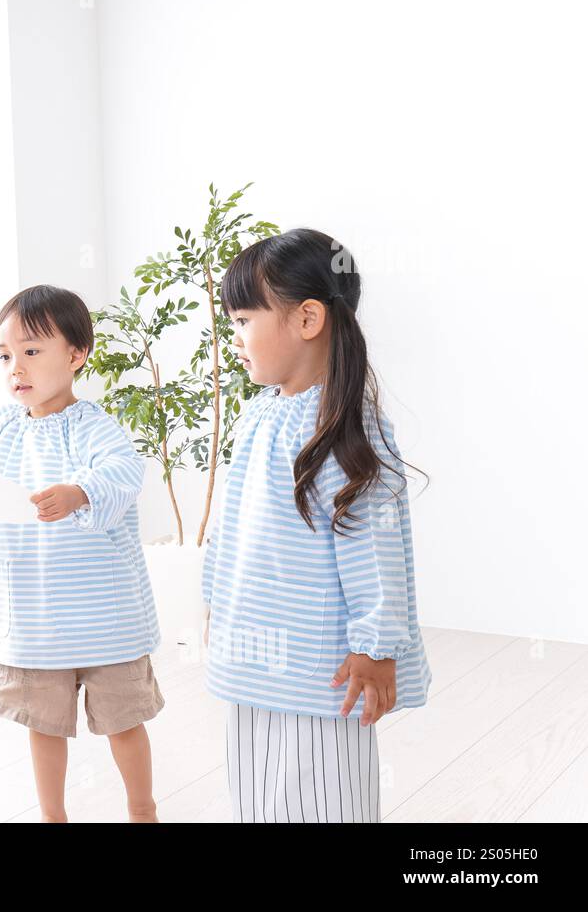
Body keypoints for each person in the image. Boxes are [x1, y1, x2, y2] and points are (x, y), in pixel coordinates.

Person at [201, 228, 432, 822]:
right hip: (252, 655)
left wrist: (376, 647)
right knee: (257, 795)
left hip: (322, 671)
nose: (236, 339)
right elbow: (232, 529)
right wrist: (214, 604)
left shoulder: (345, 425)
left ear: (307, 319)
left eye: (244, 320)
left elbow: (371, 544)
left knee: (327, 800)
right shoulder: (259, 417)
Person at [0, 285, 164, 823]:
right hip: (33, 617)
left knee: (124, 721)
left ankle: (142, 808)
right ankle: (53, 813)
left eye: (31, 351)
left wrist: (80, 493)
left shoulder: (94, 427)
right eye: (5, 356)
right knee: (44, 726)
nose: (15, 368)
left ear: (75, 355)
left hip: (105, 618)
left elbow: (122, 472)